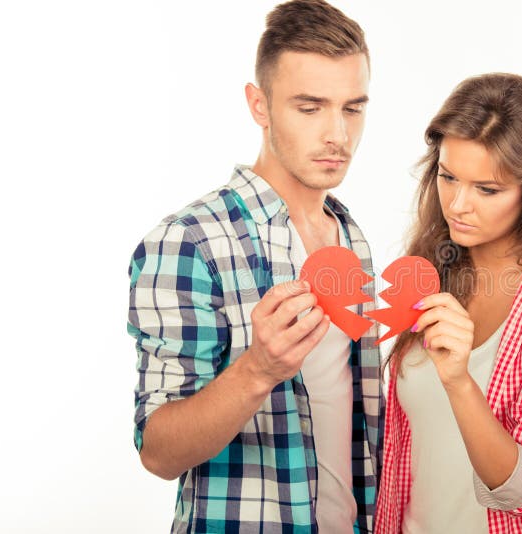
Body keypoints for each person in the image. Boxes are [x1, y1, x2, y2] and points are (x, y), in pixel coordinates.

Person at [126, 1, 383, 532]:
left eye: (352, 108)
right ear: (259, 105)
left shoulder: (350, 234)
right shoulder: (188, 241)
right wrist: (258, 370)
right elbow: (158, 452)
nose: (337, 134)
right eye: (309, 108)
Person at [375, 73, 522, 533]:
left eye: (487, 189)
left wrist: (459, 381)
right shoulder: (427, 272)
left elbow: (518, 489)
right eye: (448, 177)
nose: (459, 205)